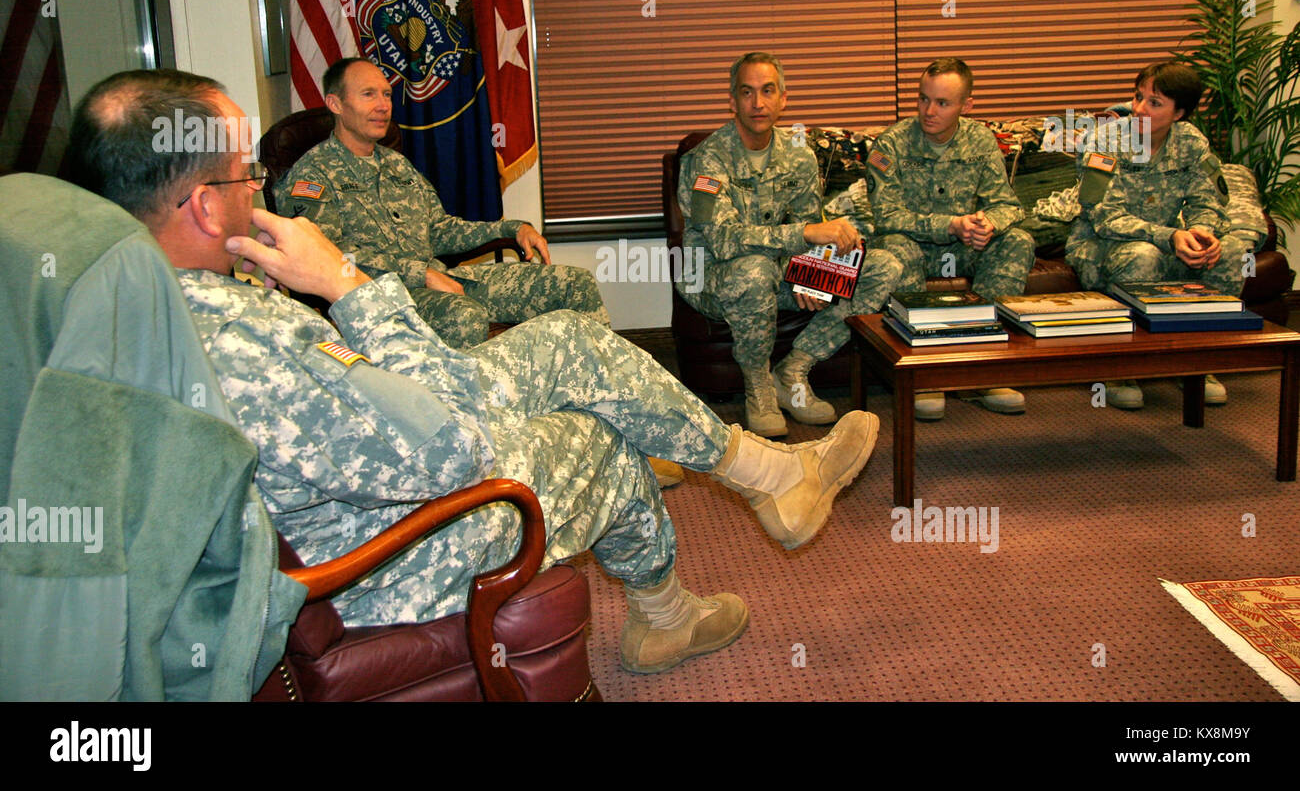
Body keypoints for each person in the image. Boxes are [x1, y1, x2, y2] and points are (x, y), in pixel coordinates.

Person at [62, 68, 880, 675]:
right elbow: (452, 448)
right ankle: (699, 568)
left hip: (388, 462)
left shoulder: (164, 299)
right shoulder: (232, 346)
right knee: (597, 427)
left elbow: (392, 365)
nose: (258, 191)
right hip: (393, 552)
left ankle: (762, 477)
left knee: (566, 334)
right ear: (204, 207)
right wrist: (348, 286)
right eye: (244, 177)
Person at [273, 57, 609, 351]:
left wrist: (513, 227)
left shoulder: (397, 165)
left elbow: (440, 229)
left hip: (441, 280)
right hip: (380, 299)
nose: (383, 105)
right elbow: (329, 255)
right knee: (465, 316)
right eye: (368, 94)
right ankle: (478, 417)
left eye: (387, 94)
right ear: (335, 104)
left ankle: (600, 391)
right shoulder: (313, 176)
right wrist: (422, 275)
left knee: (572, 283)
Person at [676, 51, 904, 437]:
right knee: (754, 268)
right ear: (732, 101)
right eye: (746, 93)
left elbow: (807, 227)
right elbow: (723, 241)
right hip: (711, 278)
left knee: (884, 267)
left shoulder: (798, 156)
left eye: (768, 91)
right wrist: (806, 236)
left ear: (784, 99)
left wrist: (812, 272)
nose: (757, 103)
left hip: (776, 270)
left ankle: (794, 368)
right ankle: (759, 386)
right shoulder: (707, 160)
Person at [1065, 61, 1241, 408]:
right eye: (1138, 97)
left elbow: (1211, 201)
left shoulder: (1191, 143)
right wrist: (1170, 236)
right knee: (1141, 254)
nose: (1140, 108)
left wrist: (1202, 232)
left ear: (1180, 113)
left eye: (1155, 102)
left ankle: (1196, 364)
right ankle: (1119, 369)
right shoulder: (1105, 138)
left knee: (1231, 251)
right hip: (1100, 246)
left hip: (1165, 245)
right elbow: (1102, 214)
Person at [868, 58, 1035, 421]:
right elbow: (886, 217)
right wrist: (949, 224)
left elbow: (1007, 204)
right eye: (923, 99)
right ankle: (925, 375)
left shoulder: (980, 139)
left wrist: (987, 223)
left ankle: (984, 370)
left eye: (942, 103)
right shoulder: (891, 144)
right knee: (895, 248)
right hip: (914, 245)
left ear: (966, 105)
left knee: (1017, 241)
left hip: (964, 248)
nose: (929, 111)